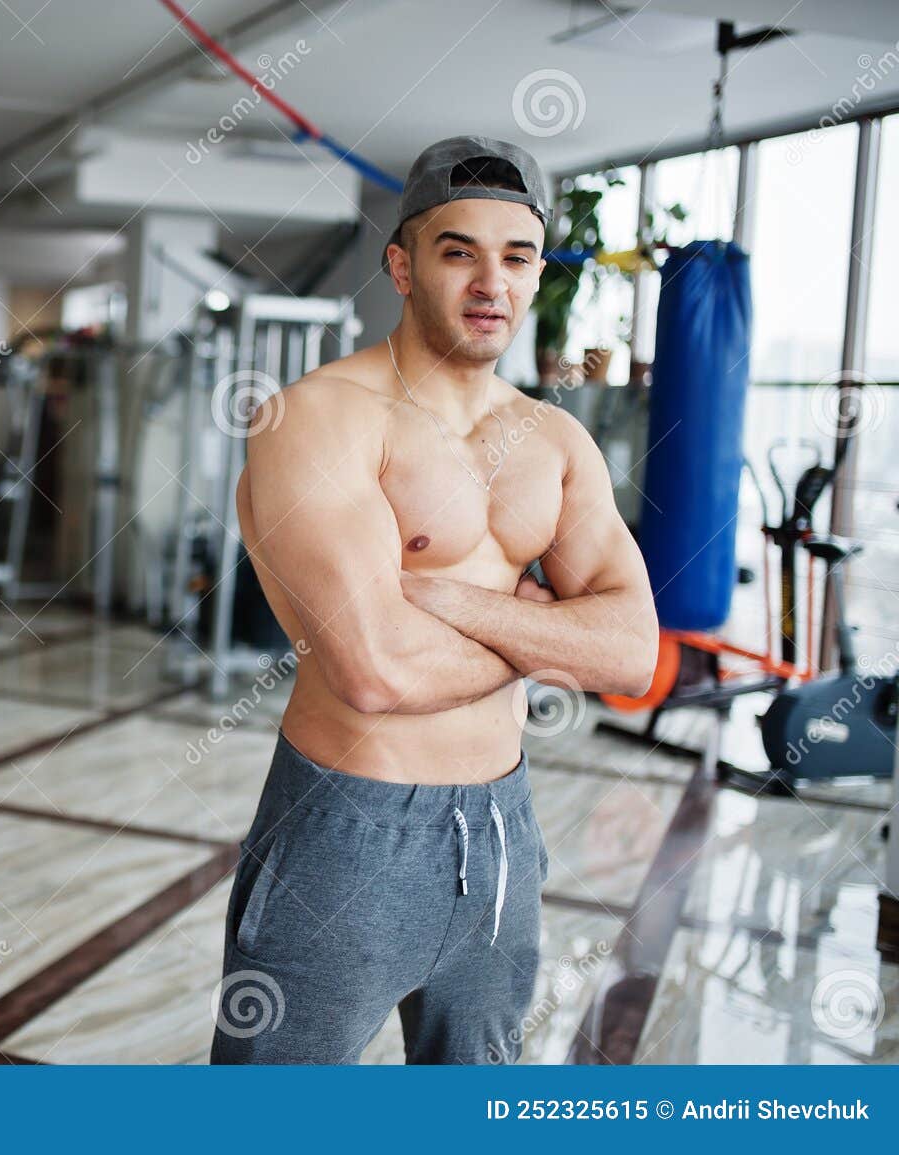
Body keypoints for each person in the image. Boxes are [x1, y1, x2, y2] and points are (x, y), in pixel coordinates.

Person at [210, 136, 658, 1064]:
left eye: (518, 255)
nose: (491, 281)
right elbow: (373, 671)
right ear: (403, 266)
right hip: (348, 830)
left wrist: (444, 599)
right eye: (460, 251)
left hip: (504, 827)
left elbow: (632, 656)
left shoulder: (555, 441)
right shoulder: (317, 417)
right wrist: (552, 630)